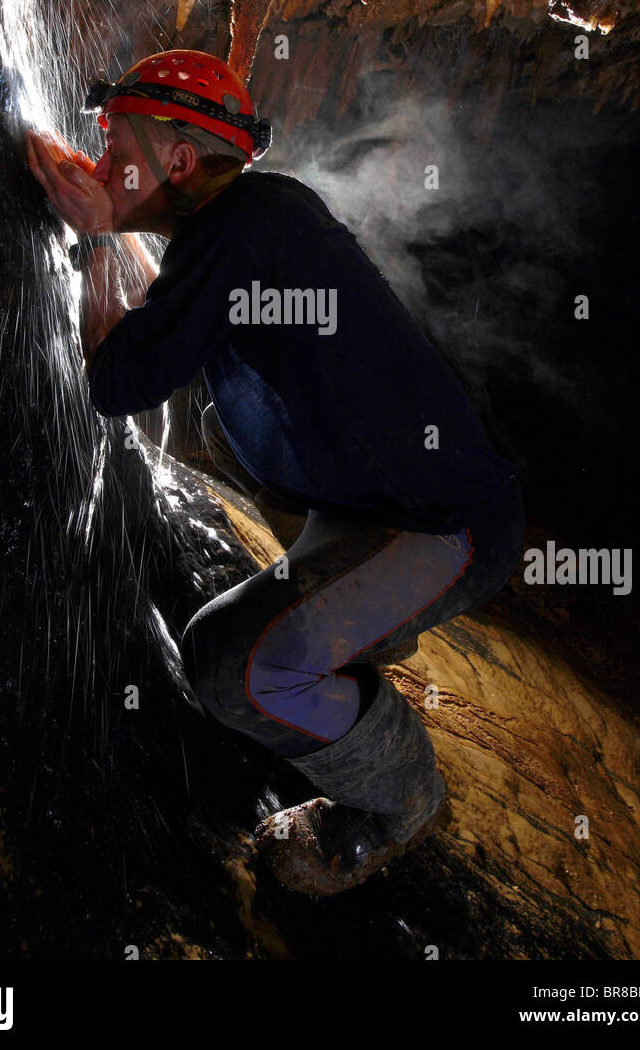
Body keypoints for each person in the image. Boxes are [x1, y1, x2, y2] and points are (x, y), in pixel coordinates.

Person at [26, 48, 524, 897]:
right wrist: (112, 230)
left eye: (119, 149)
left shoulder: (244, 228)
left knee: (231, 665)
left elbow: (119, 381)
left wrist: (96, 236)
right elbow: (164, 323)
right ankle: (357, 638)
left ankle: (401, 800)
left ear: (178, 162)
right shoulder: (246, 220)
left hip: (441, 526)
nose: (105, 164)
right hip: (362, 501)